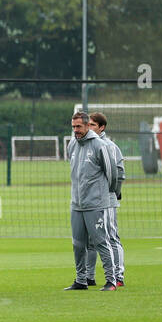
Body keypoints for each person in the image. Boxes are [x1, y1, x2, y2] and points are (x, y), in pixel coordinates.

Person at [66, 112, 123, 291]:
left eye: (79, 127)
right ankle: (81, 280)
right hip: (77, 204)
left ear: (86, 126)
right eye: (73, 127)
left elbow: (112, 172)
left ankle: (111, 280)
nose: (76, 130)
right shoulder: (72, 145)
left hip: (97, 204)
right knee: (78, 244)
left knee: (102, 242)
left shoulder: (100, 145)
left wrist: (108, 194)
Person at [88, 112, 125, 287]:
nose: (89, 128)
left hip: (107, 199)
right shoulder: (85, 146)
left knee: (111, 236)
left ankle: (118, 276)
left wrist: (114, 192)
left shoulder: (109, 146)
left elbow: (119, 172)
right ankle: (89, 276)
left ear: (102, 127)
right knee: (91, 239)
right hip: (90, 200)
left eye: (93, 125)